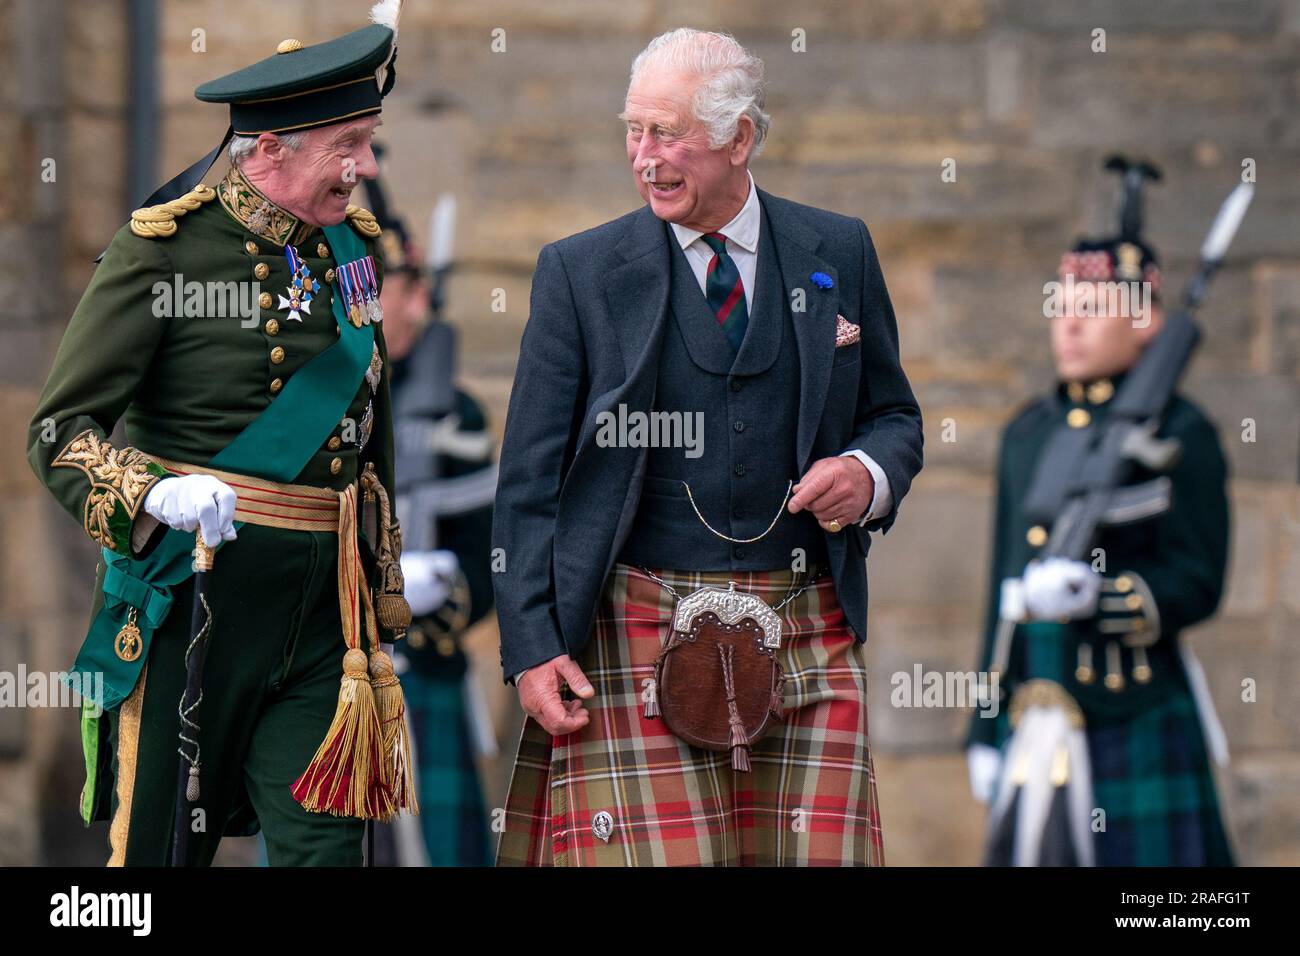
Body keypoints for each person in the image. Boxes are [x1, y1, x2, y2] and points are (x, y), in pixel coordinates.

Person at [493, 28, 923, 866]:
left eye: (667, 134)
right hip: (632, 623)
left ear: (740, 139)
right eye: (633, 130)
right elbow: (528, 477)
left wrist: (867, 474)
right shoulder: (580, 273)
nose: (644, 157)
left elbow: (896, 417)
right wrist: (531, 645)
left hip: (804, 620)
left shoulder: (837, 250)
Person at [26, 2, 415, 866]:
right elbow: (58, 429)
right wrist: (153, 491)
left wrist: (384, 575)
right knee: (163, 854)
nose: (366, 166)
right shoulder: (162, 251)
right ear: (271, 150)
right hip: (193, 599)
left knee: (325, 854)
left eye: (369, 138)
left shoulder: (350, 247)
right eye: (348, 144)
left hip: (324, 622)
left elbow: (368, 434)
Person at [966, 160, 1235, 866]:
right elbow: (1002, 594)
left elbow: (1199, 577)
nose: (1069, 325)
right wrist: (984, 728)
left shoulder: (1183, 430)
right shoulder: (1029, 432)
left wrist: (1105, 595)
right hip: (1037, 714)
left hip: (1137, 710)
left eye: (1091, 308)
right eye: (1061, 306)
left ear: (1144, 320)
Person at [368, 174, 497, 867]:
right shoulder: (301, 404)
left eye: (422, 287)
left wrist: (439, 591)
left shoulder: (461, 414)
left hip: (426, 679)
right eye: (403, 288)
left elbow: (489, 561)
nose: (421, 306)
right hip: (326, 684)